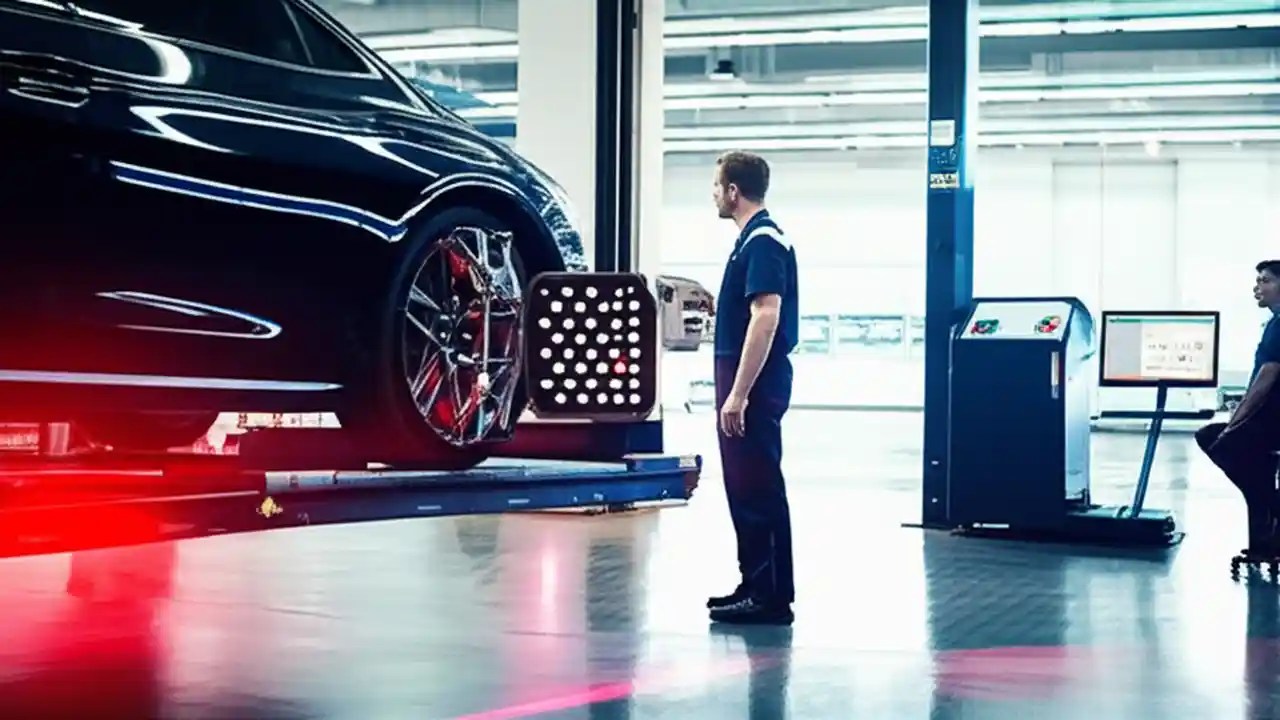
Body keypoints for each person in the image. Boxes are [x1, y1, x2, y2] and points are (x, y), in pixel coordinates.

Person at [705, 150, 799, 625]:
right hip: (747, 378)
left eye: (717, 186)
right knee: (747, 485)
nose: (714, 194)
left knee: (756, 485)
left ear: (734, 191)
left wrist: (739, 393)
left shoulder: (763, 240)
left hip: (755, 386)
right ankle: (758, 584)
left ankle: (767, 596)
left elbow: (767, 316)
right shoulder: (752, 242)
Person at [1195, 259, 1280, 557]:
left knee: (1214, 439)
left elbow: (1266, 378)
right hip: (1269, 419)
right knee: (1254, 465)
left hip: (1272, 421)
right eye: (1257, 280)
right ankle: (1267, 532)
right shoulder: (1273, 323)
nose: (1257, 287)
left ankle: (1270, 504)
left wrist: (1235, 423)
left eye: (1266, 280)